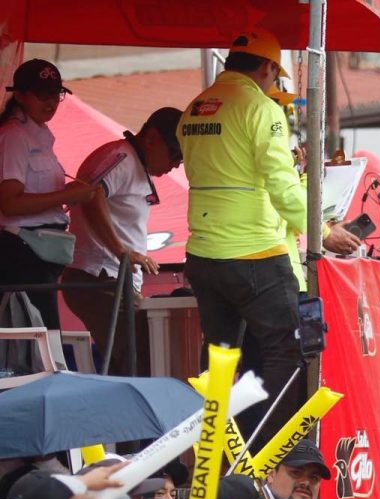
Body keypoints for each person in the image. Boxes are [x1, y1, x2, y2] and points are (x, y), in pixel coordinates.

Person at [179, 29, 357, 444]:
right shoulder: (261, 109)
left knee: (220, 359)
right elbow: (281, 185)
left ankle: (218, 451)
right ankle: (268, 453)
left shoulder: (195, 108)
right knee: (288, 351)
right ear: (267, 68)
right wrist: (323, 232)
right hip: (254, 252)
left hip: (203, 252)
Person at [62, 107, 184, 375]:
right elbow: (90, 194)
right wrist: (121, 251)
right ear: (151, 138)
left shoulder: (134, 163)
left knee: (135, 360)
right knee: (143, 358)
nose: (177, 164)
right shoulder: (121, 157)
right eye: (175, 154)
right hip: (99, 278)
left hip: (114, 279)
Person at [0, 59, 102, 330]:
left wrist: (70, 193)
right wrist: (64, 196)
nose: (51, 103)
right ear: (20, 96)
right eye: (42, 95)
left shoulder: (41, 135)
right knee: (40, 335)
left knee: (44, 332)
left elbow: (37, 195)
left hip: (41, 250)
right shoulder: (14, 136)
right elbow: (10, 203)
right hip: (21, 250)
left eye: (56, 95)